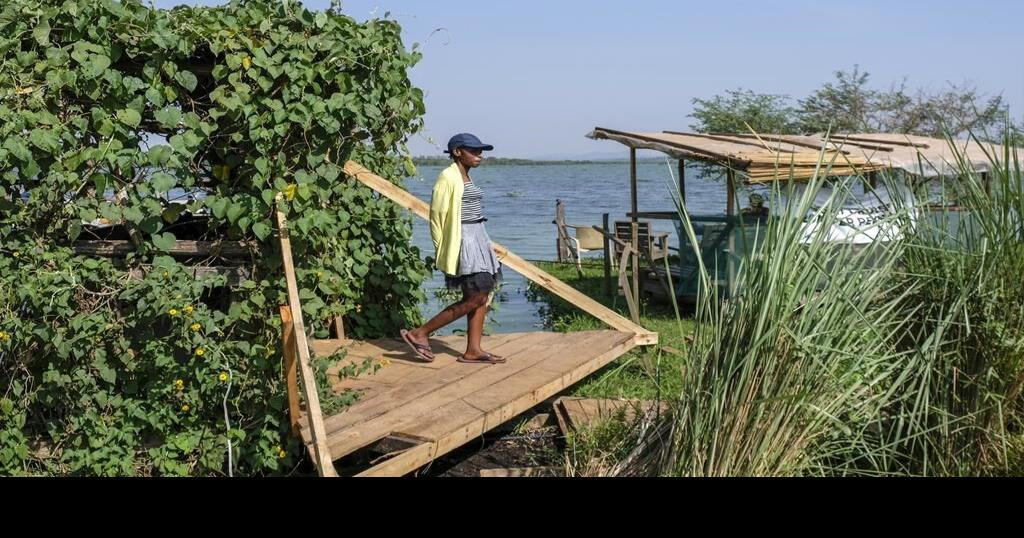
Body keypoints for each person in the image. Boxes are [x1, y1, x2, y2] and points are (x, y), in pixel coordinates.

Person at [400, 133, 506, 364]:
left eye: (481, 151)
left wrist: (485, 243)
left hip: (478, 237)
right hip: (463, 240)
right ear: (457, 151)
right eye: (474, 151)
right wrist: (443, 248)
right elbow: (437, 217)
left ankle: (473, 350)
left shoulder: (465, 176)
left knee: (481, 294)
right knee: (477, 296)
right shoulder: (447, 177)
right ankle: (420, 332)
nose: (480, 156)